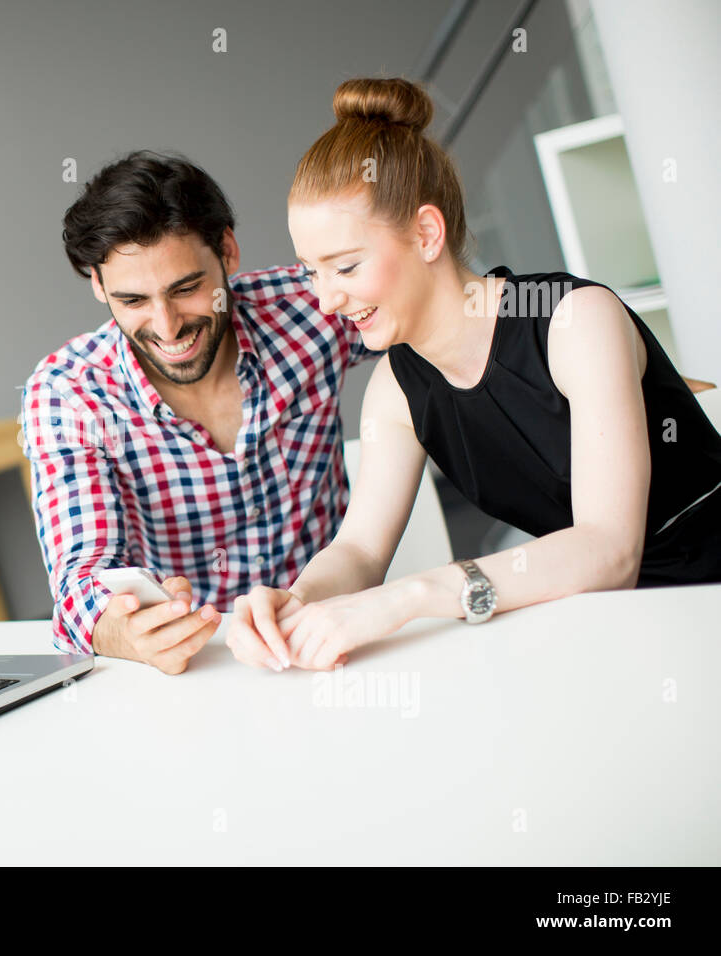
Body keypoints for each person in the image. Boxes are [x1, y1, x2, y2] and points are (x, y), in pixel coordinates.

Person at [228, 76, 721, 673]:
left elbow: (610, 550)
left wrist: (415, 596)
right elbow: (359, 549)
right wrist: (295, 601)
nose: (327, 300)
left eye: (346, 266)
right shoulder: (394, 391)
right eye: (312, 272)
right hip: (601, 623)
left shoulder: (571, 321)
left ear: (427, 233)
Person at [20, 150, 378, 674]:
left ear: (227, 252)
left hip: (338, 633)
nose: (166, 327)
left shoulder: (311, 309)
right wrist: (125, 630)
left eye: (186, 289)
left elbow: (430, 309)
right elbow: (80, 584)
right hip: (203, 668)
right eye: (133, 300)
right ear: (99, 286)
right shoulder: (69, 395)